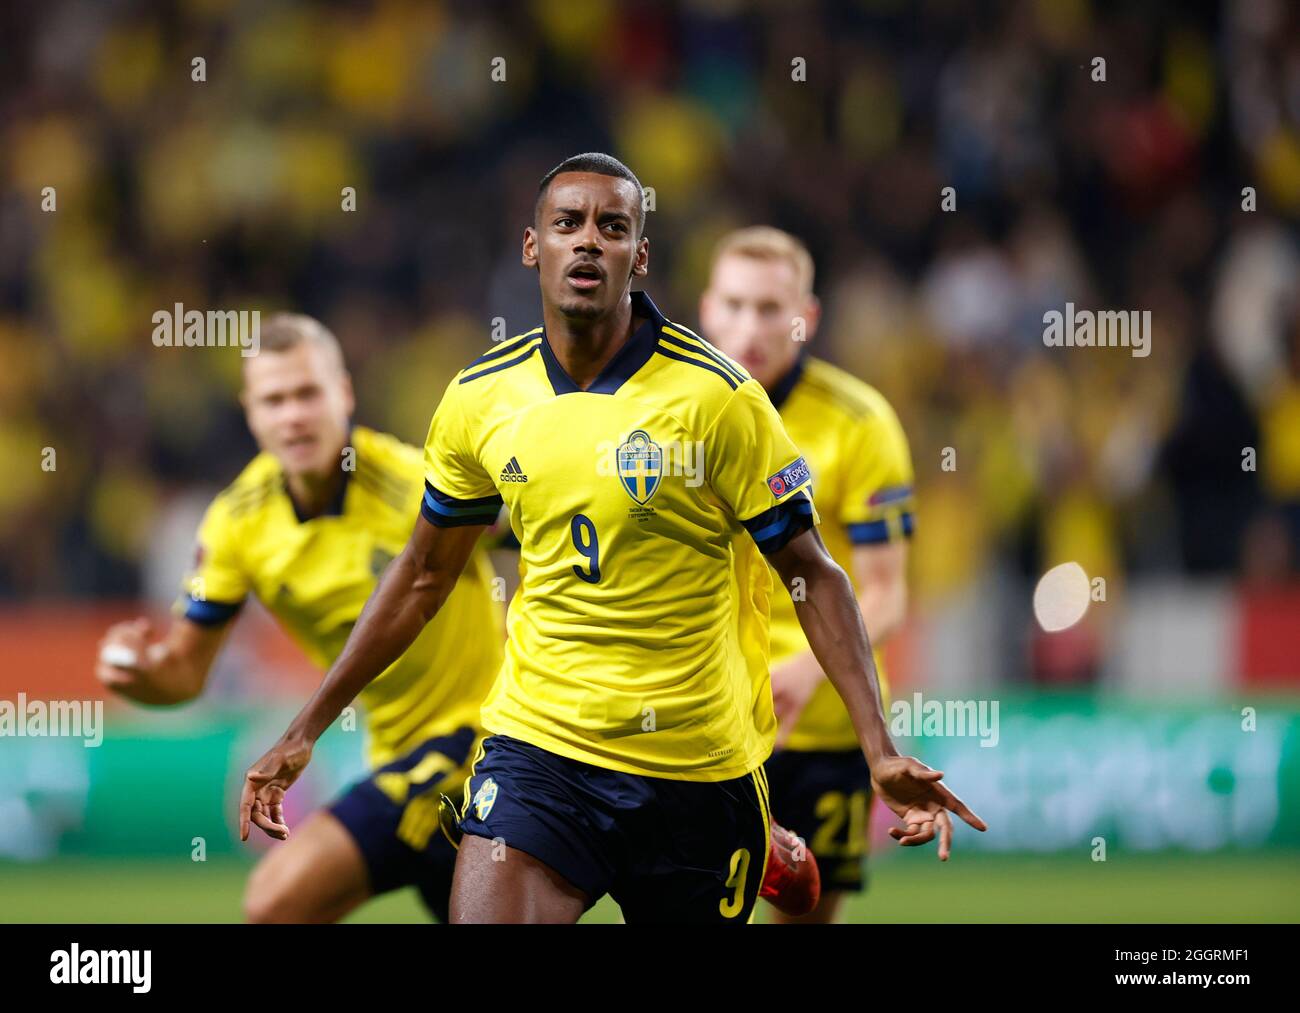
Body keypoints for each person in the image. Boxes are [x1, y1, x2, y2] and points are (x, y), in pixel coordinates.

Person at [240, 153, 985, 924]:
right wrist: (304, 731)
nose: (588, 242)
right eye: (567, 224)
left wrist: (879, 747)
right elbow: (424, 575)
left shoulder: (719, 399)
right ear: (533, 247)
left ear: (640, 254)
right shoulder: (479, 400)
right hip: (540, 750)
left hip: (697, 772)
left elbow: (815, 574)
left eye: (612, 226)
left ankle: (759, 839)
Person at [96, 313, 504, 923]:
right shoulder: (237, 523)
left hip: (479, 744)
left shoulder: (417, 483)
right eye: (274, 400)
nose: (293, 416)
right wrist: (138, 674)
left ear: (343, 392)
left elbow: (537, 529)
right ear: (250, 412)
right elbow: (185, 670)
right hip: (393, 752)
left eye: (308, 393)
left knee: (275, 902)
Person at [701, 226, 915, 922]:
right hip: (708, 721)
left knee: (805, 915)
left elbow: (886, 592)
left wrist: (805, 671)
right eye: (735, 304)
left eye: (771, 309)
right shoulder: (672, 417)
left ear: (807, 317)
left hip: (823, 728)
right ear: (707, 308)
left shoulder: (861, 423)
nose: (749, 327)